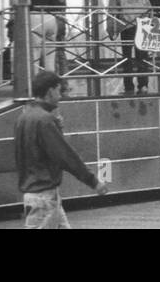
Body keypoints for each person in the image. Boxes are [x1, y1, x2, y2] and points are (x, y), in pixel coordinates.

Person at [15, 70, 109, 228]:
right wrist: (93, 181)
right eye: (59, 90)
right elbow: (65, 156)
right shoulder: (45, 120)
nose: (60, 96)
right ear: (50, 91)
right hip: (45, 197)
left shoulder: (23, 117)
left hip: (34, 194)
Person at [107, 0, 152, 95]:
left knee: (127, 57)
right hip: (142, 25)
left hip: (127, 26)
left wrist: (111, 30)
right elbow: (148, 6)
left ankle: (129, 87)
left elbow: (112, 12)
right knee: (142, 56)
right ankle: (143, 86)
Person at [18, 0, 64, 76]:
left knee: (34, 53)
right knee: (50, 54)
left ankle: (34, 85)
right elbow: (58, 4)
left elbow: (19, 4)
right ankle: (50, 85)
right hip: (50, 19)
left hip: (34, 18)